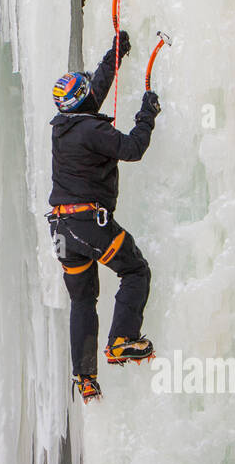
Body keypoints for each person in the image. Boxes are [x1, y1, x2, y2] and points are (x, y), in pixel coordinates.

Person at [48, 31, 161, 403]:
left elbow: (93, 91)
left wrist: (116, 52)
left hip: (62, 233)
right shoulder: (94, 130)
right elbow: (132, 148)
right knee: (135, 270)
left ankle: (85, 377)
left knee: (83, 300)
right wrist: (147, 114)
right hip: (88, 224)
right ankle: (122, 339)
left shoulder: (63, 129)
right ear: (81, 101)